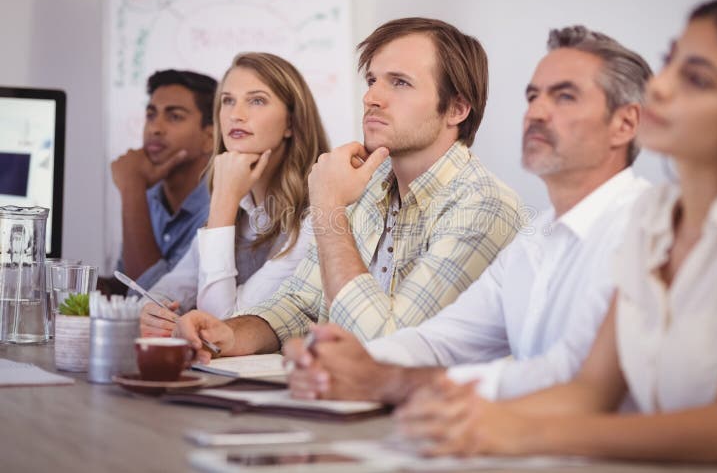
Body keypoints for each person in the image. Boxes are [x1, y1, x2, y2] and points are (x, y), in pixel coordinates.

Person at [396, 0, 717, 467]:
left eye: (697, 78)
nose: (661, 88)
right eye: (670, 62)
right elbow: (590, 390)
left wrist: (520, 431)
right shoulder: (653, 215)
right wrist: (465, 416)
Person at [283, 26, 653, 403]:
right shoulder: (537, 238)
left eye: (565, 96)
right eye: (533, 96)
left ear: (625, 124)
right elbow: (440, 341)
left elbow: (568, 374)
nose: (536, 112)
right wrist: (335, 362)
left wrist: (386, 378)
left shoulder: (645, 229)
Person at [175, 18, 522, 362]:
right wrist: (230, 334)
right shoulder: (369, 186)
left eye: (399, 82)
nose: (371, 97)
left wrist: (329, 208)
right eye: (372, 80)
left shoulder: (484, 206)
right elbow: (299, 306)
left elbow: (389, 348)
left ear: (457, 109)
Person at [139, 52, 330, 334]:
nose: (235, 115)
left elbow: (224, 324)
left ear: (290, 123)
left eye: (256, 100)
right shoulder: (241, 204)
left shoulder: (314, 217)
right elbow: (162, 293)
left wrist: (223, 202)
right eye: (228, 100)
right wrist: (151, 314)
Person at [109, 69, 217, 291]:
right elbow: (127, 282)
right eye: (151, 115)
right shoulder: (150, 195)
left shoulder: (220, 208)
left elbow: (157, 300)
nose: (155, 128)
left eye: (174, 116)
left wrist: (132, 187)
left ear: (210, 137)